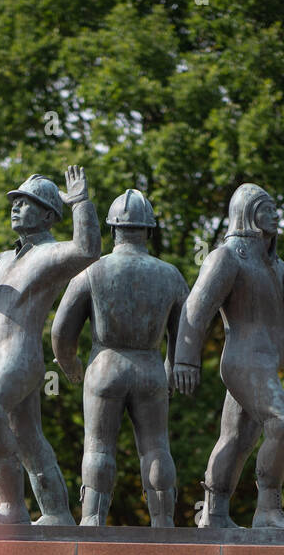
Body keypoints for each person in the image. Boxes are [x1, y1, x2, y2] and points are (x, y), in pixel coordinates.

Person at [174, 183, 284, 530]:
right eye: (267, 209)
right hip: (243, 361)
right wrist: (185, 360)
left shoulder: (271, 263)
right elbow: (196, 308)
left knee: (237, 439)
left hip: (261, 364)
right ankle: (267, 509)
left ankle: (214, 514)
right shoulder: (226, 257)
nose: (276, 214)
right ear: (248, 214)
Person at [0, 166, 101, 525]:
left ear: (48, 215)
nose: (15, 207)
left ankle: (12, 508)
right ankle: (57, 513)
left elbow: (87, 249)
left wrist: (80, 203)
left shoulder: (50, 254)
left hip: (22, 357)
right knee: (28, 436)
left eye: (26, 203)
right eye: (14, 202)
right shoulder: (4, 259)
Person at [52, 189, 188, 526]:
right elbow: (186, 332)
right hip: (150, 369)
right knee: (157, 447)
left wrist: (70, 364)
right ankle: (163, 521)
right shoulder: (170, 275)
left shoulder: (92, 271)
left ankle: (91, 520)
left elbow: (60, 330)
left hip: (105, 367)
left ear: (113, 229)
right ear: (149, 230)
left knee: (98, 447)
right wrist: (173, 368)